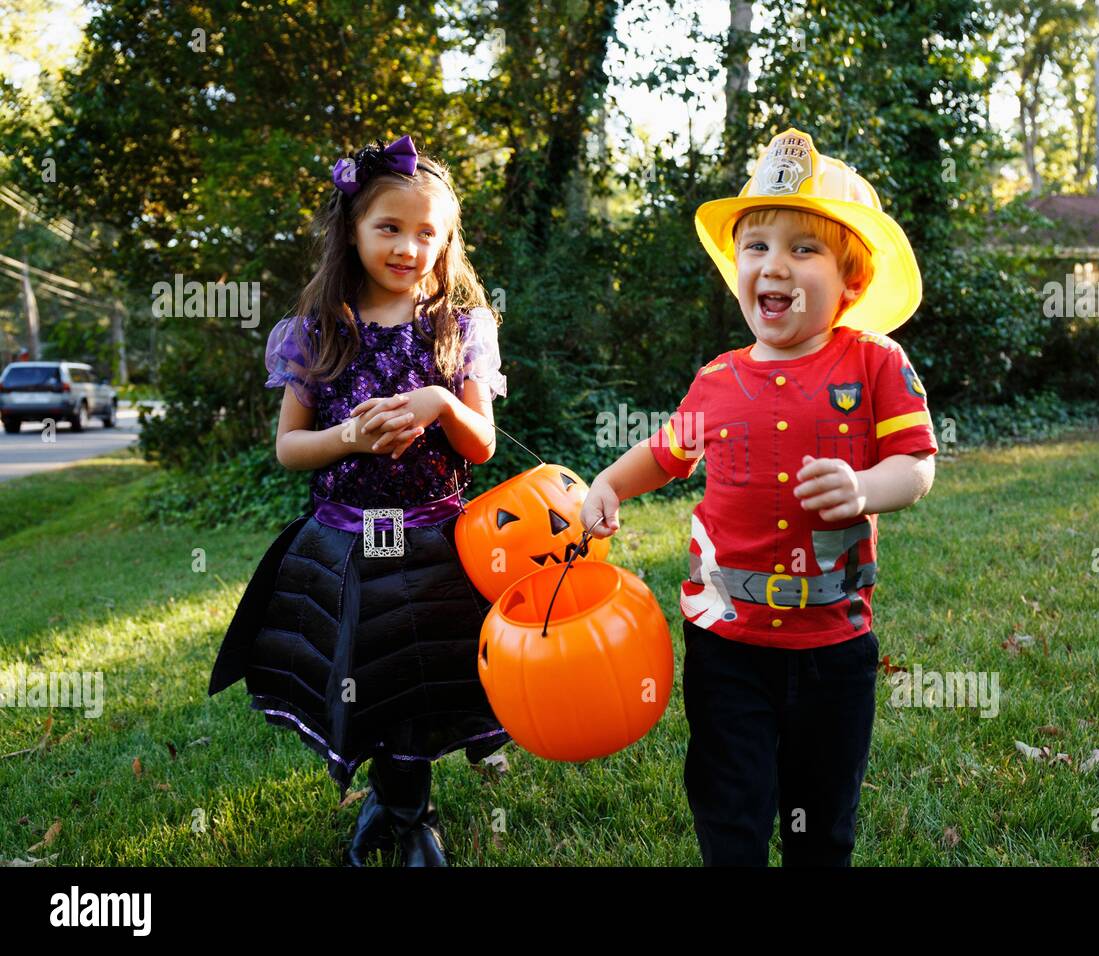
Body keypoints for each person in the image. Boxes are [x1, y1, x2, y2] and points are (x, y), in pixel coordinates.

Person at [580, 128, 938, 866]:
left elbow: (916, 464)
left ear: (853, 282)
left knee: (822, 815)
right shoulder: (717, 380)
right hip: (726, 642)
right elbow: (663, 453)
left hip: (833, 646)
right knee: (729, 804)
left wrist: (866, 485)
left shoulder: (875, 363)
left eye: (804, 249)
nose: (775, 265)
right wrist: (611, 482)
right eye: (757, 247)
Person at [208, 134, 510, 867]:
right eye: (390, 228)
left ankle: (410, 818)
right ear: (352, 229)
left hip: (437, 536)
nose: (409, 247)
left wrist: (440, 400)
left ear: (446, 242)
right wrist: (350, 436)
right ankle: (394, 804)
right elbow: (290, 449)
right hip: (351, 537)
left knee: (421, 676)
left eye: (426, 233)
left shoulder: (459, 327)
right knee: (369, 673)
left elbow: (482, 447)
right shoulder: (318, 332)